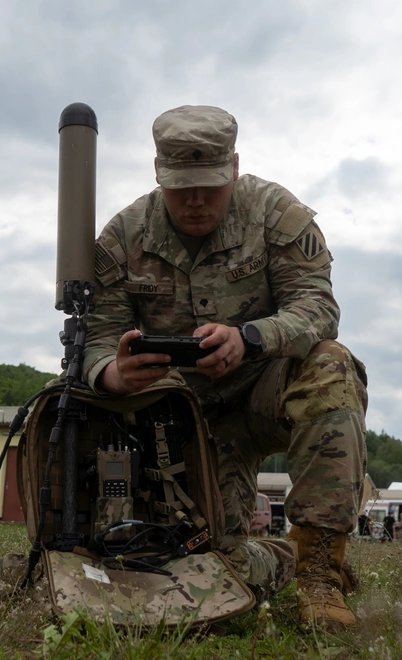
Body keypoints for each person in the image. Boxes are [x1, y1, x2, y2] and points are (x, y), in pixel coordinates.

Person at [82, 105, 368, 630]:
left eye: (210, 185)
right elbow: (95, 339)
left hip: (260, 394)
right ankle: (279, 558)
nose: (195, 201)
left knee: (332, 365)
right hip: (175, 421)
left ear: (234, 167)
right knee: (207, 562)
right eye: (180, 186)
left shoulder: (276, 216)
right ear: (157, 173)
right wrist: (114, 373)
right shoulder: (123, 238)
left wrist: (251, 338)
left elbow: (318, 308)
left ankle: (322, 575)